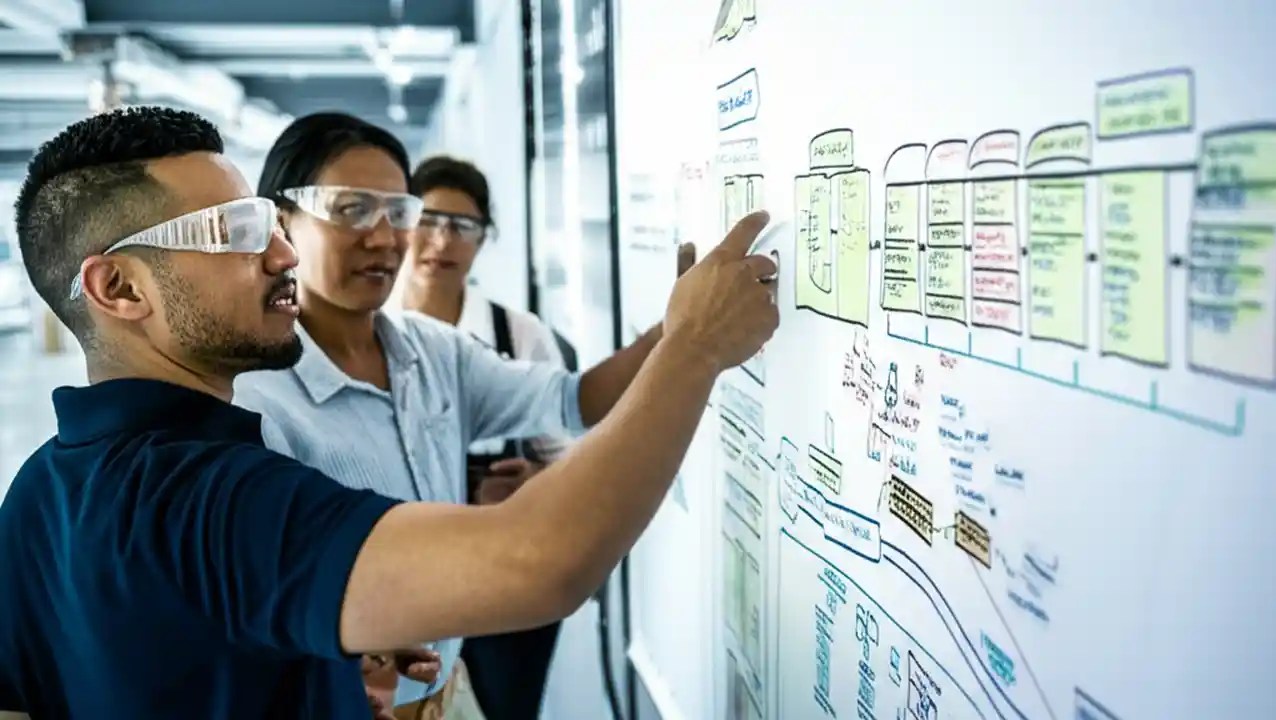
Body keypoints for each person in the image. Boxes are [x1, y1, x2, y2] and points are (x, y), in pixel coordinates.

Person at [0, 106, 779, 718]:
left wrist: (322, 674)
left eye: (264, 228)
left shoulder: (37, 491)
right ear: (120, 289)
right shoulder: (219, 497)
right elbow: (539, 562)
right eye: (235, 233)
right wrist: (695, 348)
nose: (280, 256)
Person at [234, 113, 677, 716]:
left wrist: (679, 331)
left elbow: (578, 399)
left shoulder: (430, 351)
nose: (385, 237)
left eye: (398, 211)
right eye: (351, 210)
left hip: (449, 693)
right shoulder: (255, 400)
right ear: (282, 222)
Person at [400, 155, 571, 719]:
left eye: (463, 226)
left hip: (504, 581)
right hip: (405, 582)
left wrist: (536, 482)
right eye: (426, 220)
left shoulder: (517, 335)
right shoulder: (369, 329)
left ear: (482, 240)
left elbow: (572, 460)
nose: (442, 240)